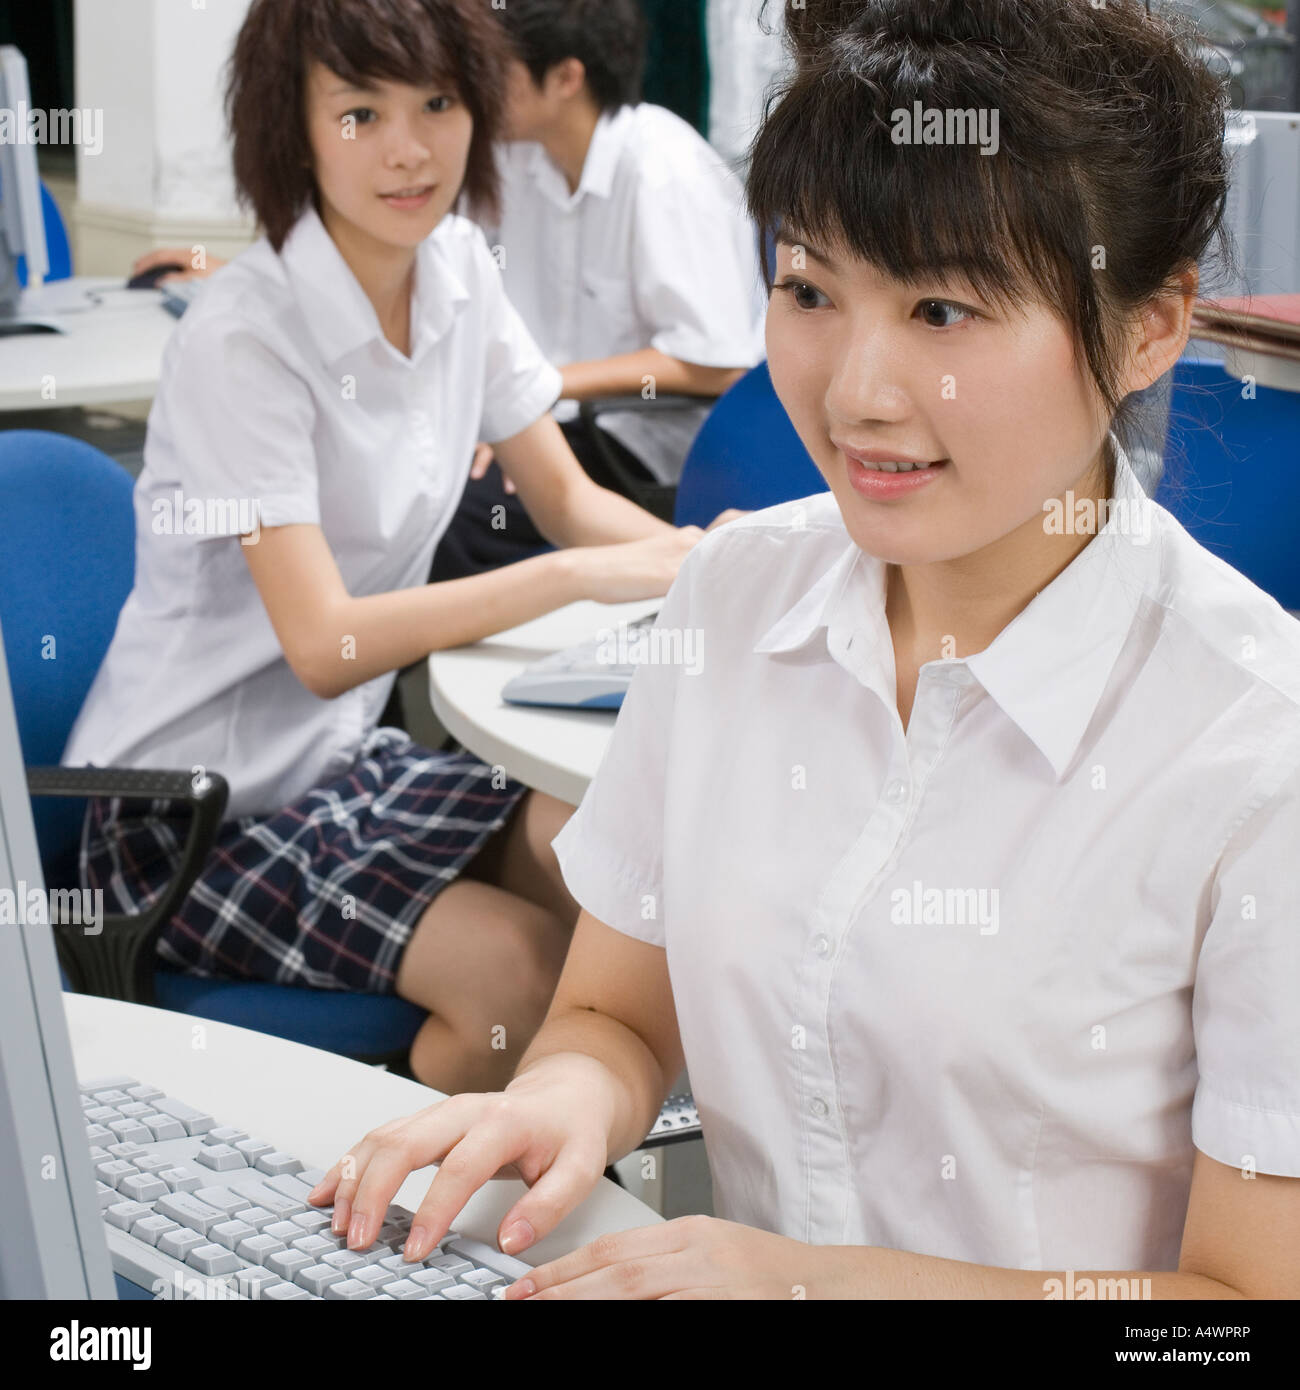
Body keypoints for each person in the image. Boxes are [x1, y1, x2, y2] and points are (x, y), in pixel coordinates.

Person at [307, 0, 1300, 1299]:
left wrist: (806, 1284)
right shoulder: (734, 595)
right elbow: (617, 1011)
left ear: (1151, 326)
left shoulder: (1251, 746)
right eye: (812, 290)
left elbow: (1243, 1308)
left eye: (945, 309)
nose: (857, 392)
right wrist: (559, 1095)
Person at [64, 0, 730, 1097]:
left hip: (334, 768)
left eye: (437, 102)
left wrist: (706, 562)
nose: (409, 148)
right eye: (360, 111)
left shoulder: (459, 265)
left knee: (603, 853)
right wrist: (569, 578)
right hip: (184, 815)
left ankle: (532, 1182)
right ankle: (376, 1218)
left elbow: (564, 497)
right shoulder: (248, 335)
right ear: (293, 126)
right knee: (516, 972)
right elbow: (326, 644)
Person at [430, 0, 768, 578]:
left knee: (457, 520)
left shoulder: (662, 166)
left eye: (492, 67)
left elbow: (719, 366)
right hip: (541, 419)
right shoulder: (513, 163)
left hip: (634, 437)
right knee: (410, 491)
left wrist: (531, 394)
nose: (473, 85)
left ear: (565, 77)